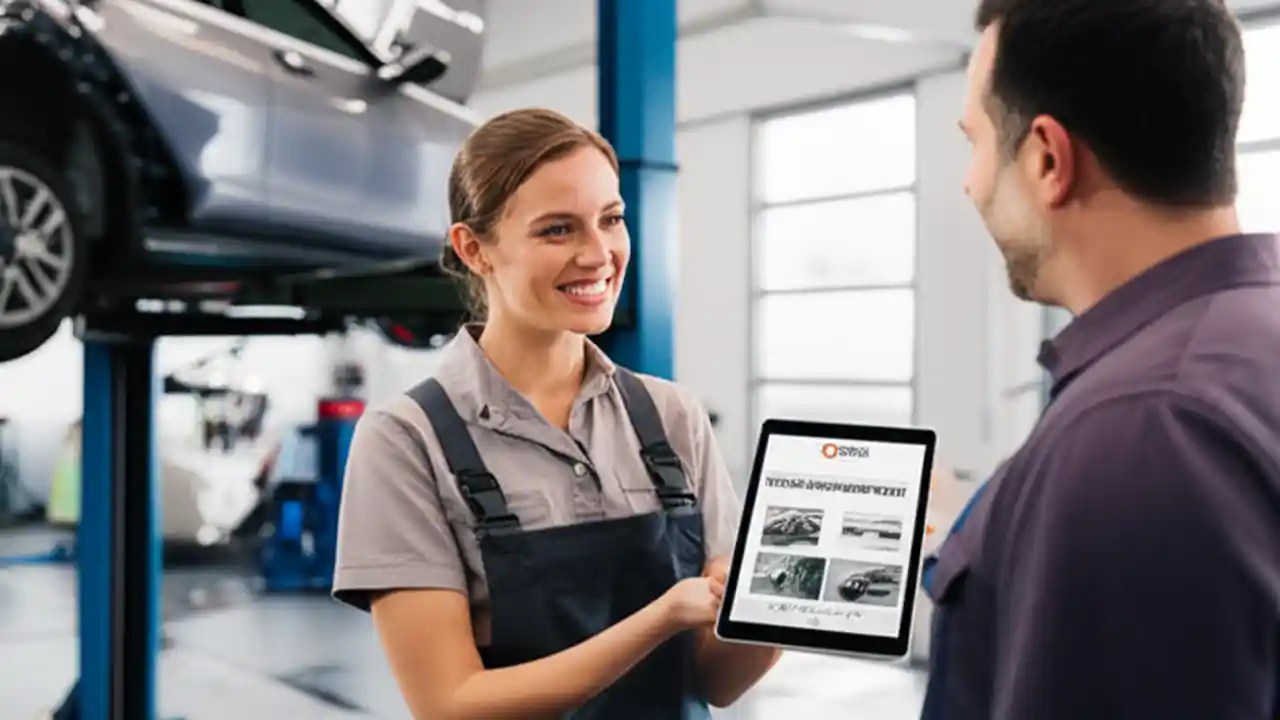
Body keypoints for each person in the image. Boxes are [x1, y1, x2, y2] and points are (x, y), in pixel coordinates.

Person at [332, 108, 780, 719]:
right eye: (557, 230)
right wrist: (662, 617)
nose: (599, 254)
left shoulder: (673, 415)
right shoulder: (407, 441)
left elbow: (718, 682)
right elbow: (449, 705)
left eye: (611, 219)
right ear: (474, 249)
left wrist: (782, 605)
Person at [922, 0, 1280, 717]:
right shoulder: (1243, 344)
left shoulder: (1143, 427)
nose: (970, 182)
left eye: (976, 142)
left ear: (1047, 159)